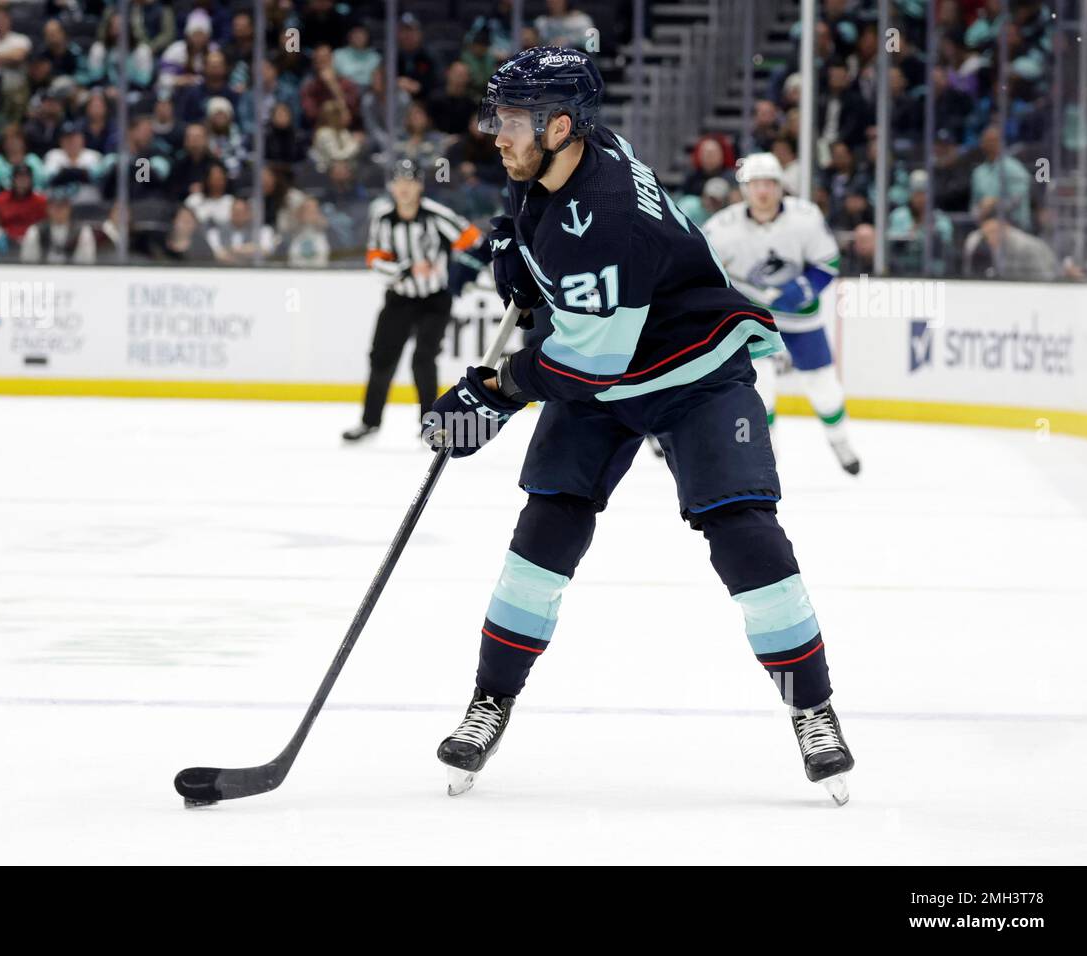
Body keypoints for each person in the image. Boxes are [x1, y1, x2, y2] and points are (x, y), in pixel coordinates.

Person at [423, 48, 855, 804]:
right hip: (604, 372)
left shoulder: (607, 216)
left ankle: (812, 707)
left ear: (561, 126)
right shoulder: (570, 155)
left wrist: (496, 391)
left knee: (743, 533)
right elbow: (550, 248)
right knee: (544, 535)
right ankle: (490, 699)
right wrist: (515, 246)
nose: (497, 134)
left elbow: (589, 362)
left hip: (693, 374)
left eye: (513, 121)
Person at [703, 152, 862, 475]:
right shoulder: (721, 228)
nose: (763, 191)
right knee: (758, 386)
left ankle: (839, 439)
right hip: (751, 322)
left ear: (780, 187)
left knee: (824, 386)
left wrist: (800, 291)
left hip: (801, 318)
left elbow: (827, 263)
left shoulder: (805, 218)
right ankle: (766, 451)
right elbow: (703, 269)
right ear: (745, 189)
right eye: (756, 184)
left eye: (770, 184)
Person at [343, 158, 482, 443]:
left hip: (435, 299)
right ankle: (370, 422)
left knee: (423, 359)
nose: (404, 188)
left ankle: (429, 425)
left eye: (410, 181)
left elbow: (473, 240)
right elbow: (375, 261)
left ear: (419, 185)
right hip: (400, 299)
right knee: (381, 359)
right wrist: (406, 268)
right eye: (399, 182)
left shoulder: (436, 215)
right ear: (392, 187)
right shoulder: (383, 219)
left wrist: (462, 273)